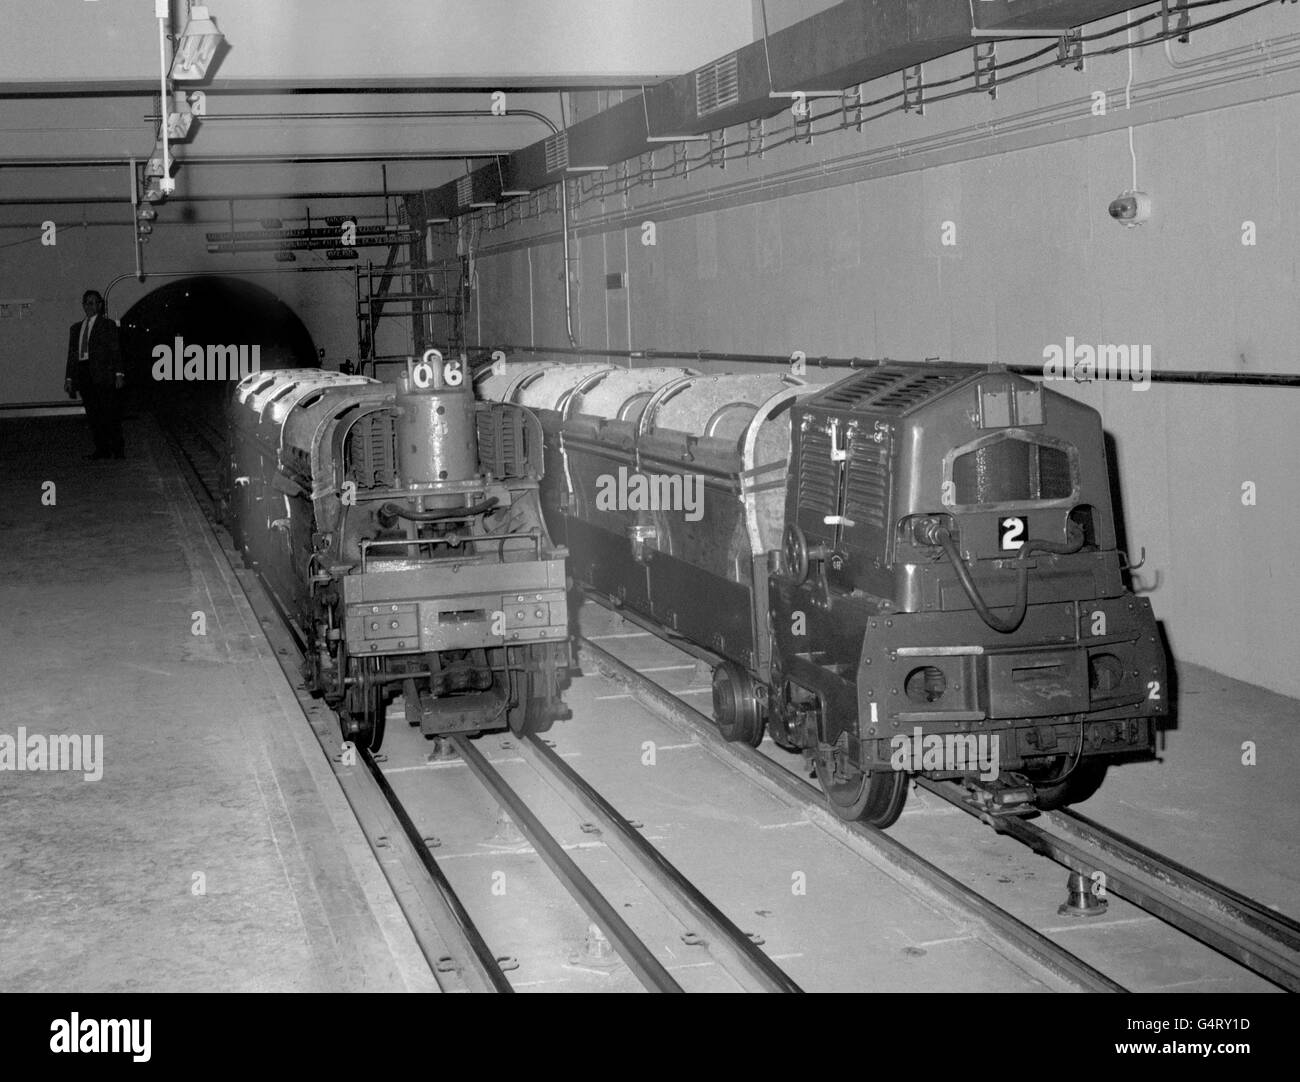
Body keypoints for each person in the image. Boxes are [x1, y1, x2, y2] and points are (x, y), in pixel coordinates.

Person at [64, 290, 125, 460]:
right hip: (84, 373)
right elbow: (72, 355)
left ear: (99, 305)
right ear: (83, 305)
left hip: (103, 374)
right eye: (86, 302)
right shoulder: (75, 328)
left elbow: (115, 350)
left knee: (109, 413)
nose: (89, 306)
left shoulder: (107, 325)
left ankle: (118, 450)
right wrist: (69, 379)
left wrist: (119, 374)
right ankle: (101, 449)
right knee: (93, 414)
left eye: (93, 302)